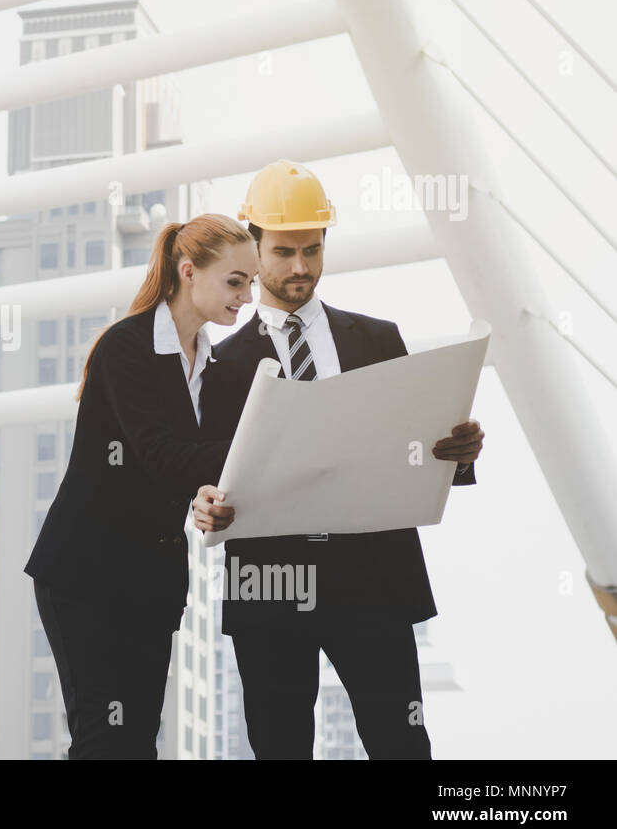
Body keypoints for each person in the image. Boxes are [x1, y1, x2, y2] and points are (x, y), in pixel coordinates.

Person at [191, 159, 486, 759]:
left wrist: (456, 455)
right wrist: (204, 508)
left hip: (371, 575)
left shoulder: (377, 339)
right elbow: (202, 480)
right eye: (284, 252)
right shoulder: (216, 368)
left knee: (401, 743)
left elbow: (414, 449)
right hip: (270, 584)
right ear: (252, 247)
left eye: (313, 249)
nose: (301, 267)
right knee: (280, 747)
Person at [23, 213, 258, 758]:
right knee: (106, 739)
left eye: (249, 282)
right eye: (234, 281)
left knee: (136, 743)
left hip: (151, 581)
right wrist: (265, 450)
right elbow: (166, 457)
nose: (246, 296)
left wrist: (211, 498)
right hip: (86, 574)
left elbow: (204, 472)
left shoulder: (214, 367)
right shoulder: (125, 348)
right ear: (188, 271)